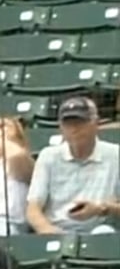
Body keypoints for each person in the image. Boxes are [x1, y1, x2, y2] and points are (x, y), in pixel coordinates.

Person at [25, 96, 120, 235]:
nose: (74, 129)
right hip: (57, 229)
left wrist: (102, 209)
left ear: (95, 123)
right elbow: (33, 209)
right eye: (68, 124)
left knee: (103, 232)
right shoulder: (48, 156)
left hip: (100, 230)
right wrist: (48, 230)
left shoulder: (116, 155)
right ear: (61, 127)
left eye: (80, 122)